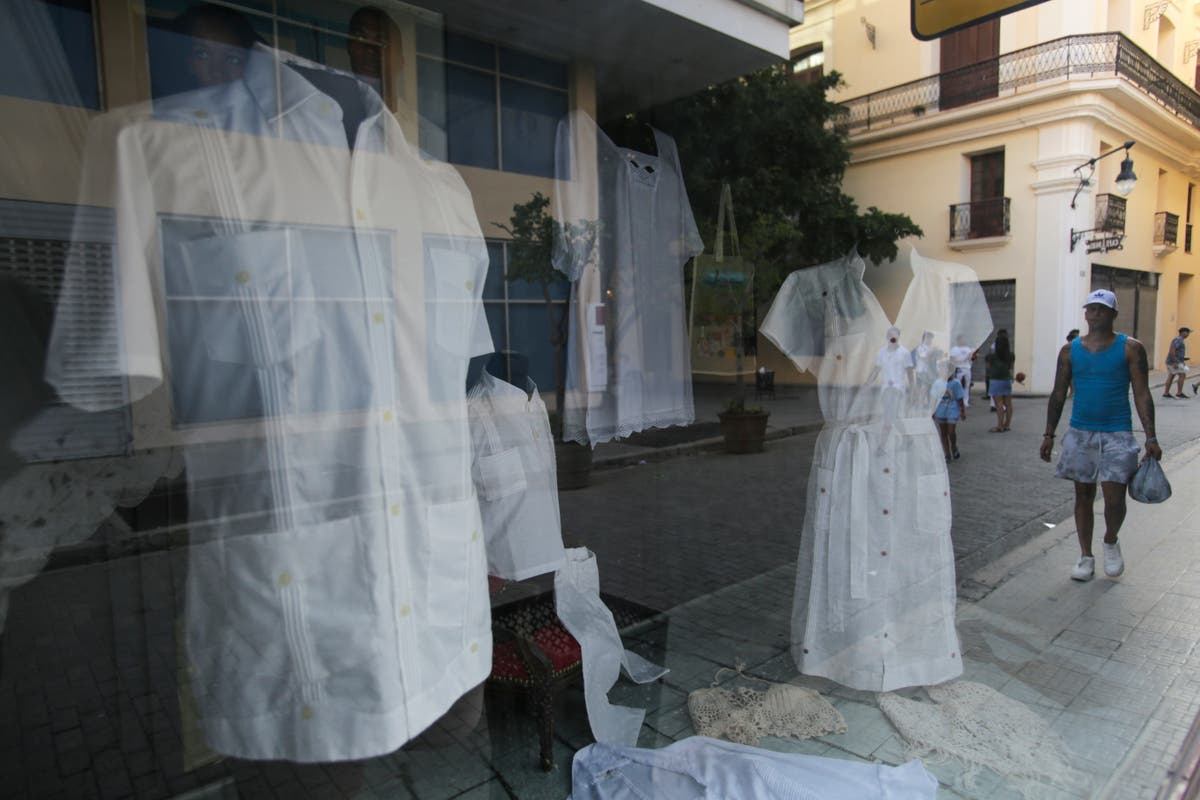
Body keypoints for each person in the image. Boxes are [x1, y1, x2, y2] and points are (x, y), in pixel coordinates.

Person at [1040, 289, 1161, 582]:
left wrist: (1151, 436)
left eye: (1102, 309)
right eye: (1091, 309)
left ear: (1113, 314)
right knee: (1083, 495)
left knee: (1115, 497)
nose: (1095, 314)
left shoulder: (1131, 348)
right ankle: (1085, 555)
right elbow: (1058, 394)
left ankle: (1110, 541)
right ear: (1085, 314)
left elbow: (1142, 393)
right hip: (1081, 432)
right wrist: (1049, 434)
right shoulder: (1070, 351)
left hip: (1118, 433)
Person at [932, 360, 965, 462]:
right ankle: (946, 453)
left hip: (952, 410)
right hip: (941, 411)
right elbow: (934, 398)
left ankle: (954, 446)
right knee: (943, 433)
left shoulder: (956, 383)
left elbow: (960, 398)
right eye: (942, 369)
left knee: (951, 432)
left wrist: (962, 411)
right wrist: (932, 411)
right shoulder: (937, 383)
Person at [986, 329, 1015, 432]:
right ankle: (1007, 424)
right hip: (1006, 380)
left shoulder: (992, 356)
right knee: (1008, 403)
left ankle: (999, 425)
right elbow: (1010, 368)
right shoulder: (1011, 355)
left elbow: (988, 368)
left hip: (995, 380)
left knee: (998, 404)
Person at [1163, 326, 1190, 399]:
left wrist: (1182, 359)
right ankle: (1179, 392)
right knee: (1182, 375)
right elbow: (1172, 350)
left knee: (1171, 376)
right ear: (1183, 333)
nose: (1188, 334)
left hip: (1174, 361)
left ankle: (1166, 393)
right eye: (1187, 332)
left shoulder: (1179, 340)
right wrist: (1175, 362)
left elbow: (1176, 351)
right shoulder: (1179, 340)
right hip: (1174, 361)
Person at [948, 335, 974, 408]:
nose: (964, 340)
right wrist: (961, 360)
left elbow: (971, 359)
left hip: (967, 368)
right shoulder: (954, 349)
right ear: (958, 340)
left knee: (967, 385)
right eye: (962, 339)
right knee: (958, 384)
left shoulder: (968, 349)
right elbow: (952, 359)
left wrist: (971, 356)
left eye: (964, 339)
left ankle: (965, 400)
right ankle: (957, 400)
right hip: (958, 368)